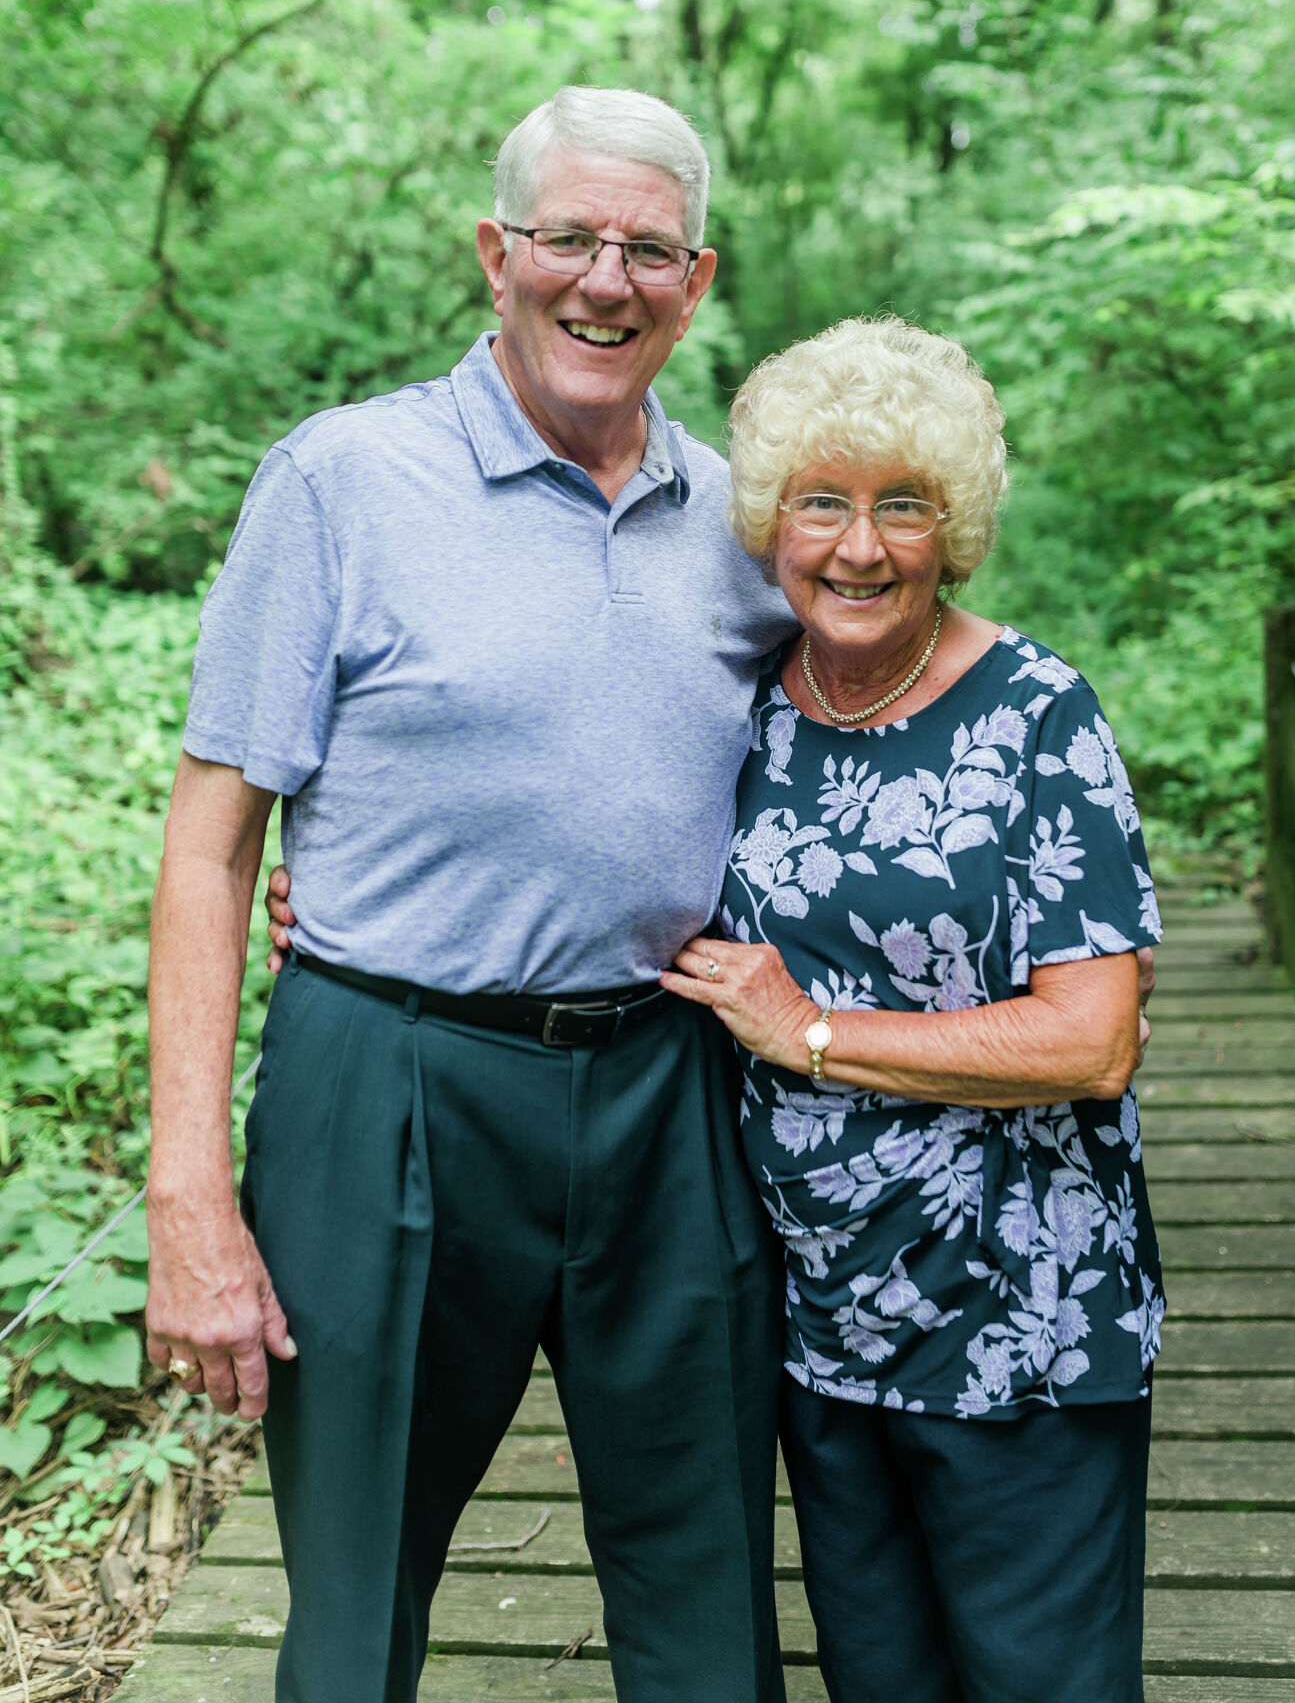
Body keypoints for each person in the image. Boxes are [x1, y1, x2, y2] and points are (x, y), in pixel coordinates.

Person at [144, 87, 795, 1703]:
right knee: (355, 1591)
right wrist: (189, 1197)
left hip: (667, 1086)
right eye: (569, 238)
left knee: (709, 1584)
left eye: (648, 249)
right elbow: (211, 845)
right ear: (496, 255)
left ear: (696, 281)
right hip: (391, 1080)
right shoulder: (342, 481)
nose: (605, 280)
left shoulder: (745, 523)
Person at [660, 317, 1163, 1703]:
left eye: (905, 505)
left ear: (958, 527)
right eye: (821, 503)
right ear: (770, 522)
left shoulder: (1036, 715)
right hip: (822, 1323)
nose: (860, 547)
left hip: (1020, 1319)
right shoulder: (745, 709)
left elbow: (1093, 1040)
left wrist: (810, 1033)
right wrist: (333, 895)